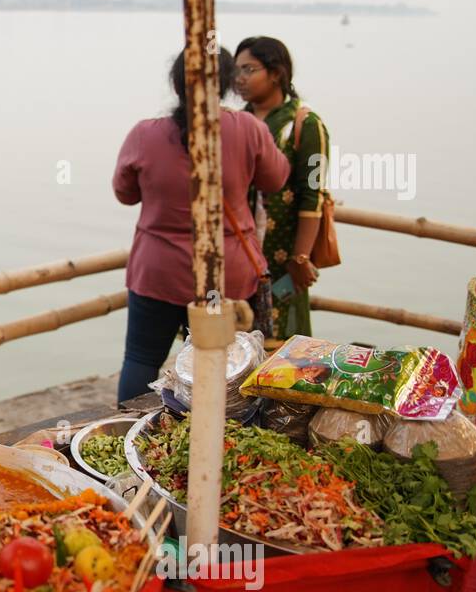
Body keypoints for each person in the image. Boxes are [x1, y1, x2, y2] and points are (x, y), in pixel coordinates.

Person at [111, 48, 290, 402]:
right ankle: (224, 428)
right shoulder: (248, 128)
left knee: (142, 358)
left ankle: (129, 424)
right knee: (229, 363)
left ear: (176, 84)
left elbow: (124, 193)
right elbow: (276, 178)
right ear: (226, 84)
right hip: (226, 273)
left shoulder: (145, 134)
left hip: (159, 271)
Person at [234, 35, 330, 339]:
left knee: (283, 340)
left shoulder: (306, 125)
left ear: (276, 73)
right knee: (235, 338)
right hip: (238, 252)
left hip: (282, 255)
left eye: (249, 69)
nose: (239, 78)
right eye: (236, 70)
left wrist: (300, 257)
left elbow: (313, 194)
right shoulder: (235, 122)